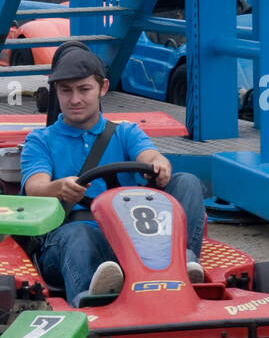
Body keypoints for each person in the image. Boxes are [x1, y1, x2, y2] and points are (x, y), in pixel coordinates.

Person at [21, 43, 206, 303]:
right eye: (66, 91)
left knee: (186, 182)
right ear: (56, 92)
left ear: (103, 88)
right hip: (70, 238)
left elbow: (149, 155)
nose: (75, 99)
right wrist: (59, 187)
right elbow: (35, 186)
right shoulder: (40, 140)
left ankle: (182, 261)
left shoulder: (125, 132)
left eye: (84, 89)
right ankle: (92, 303)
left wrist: (159, 165)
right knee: (79, 236)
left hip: (137, 240)